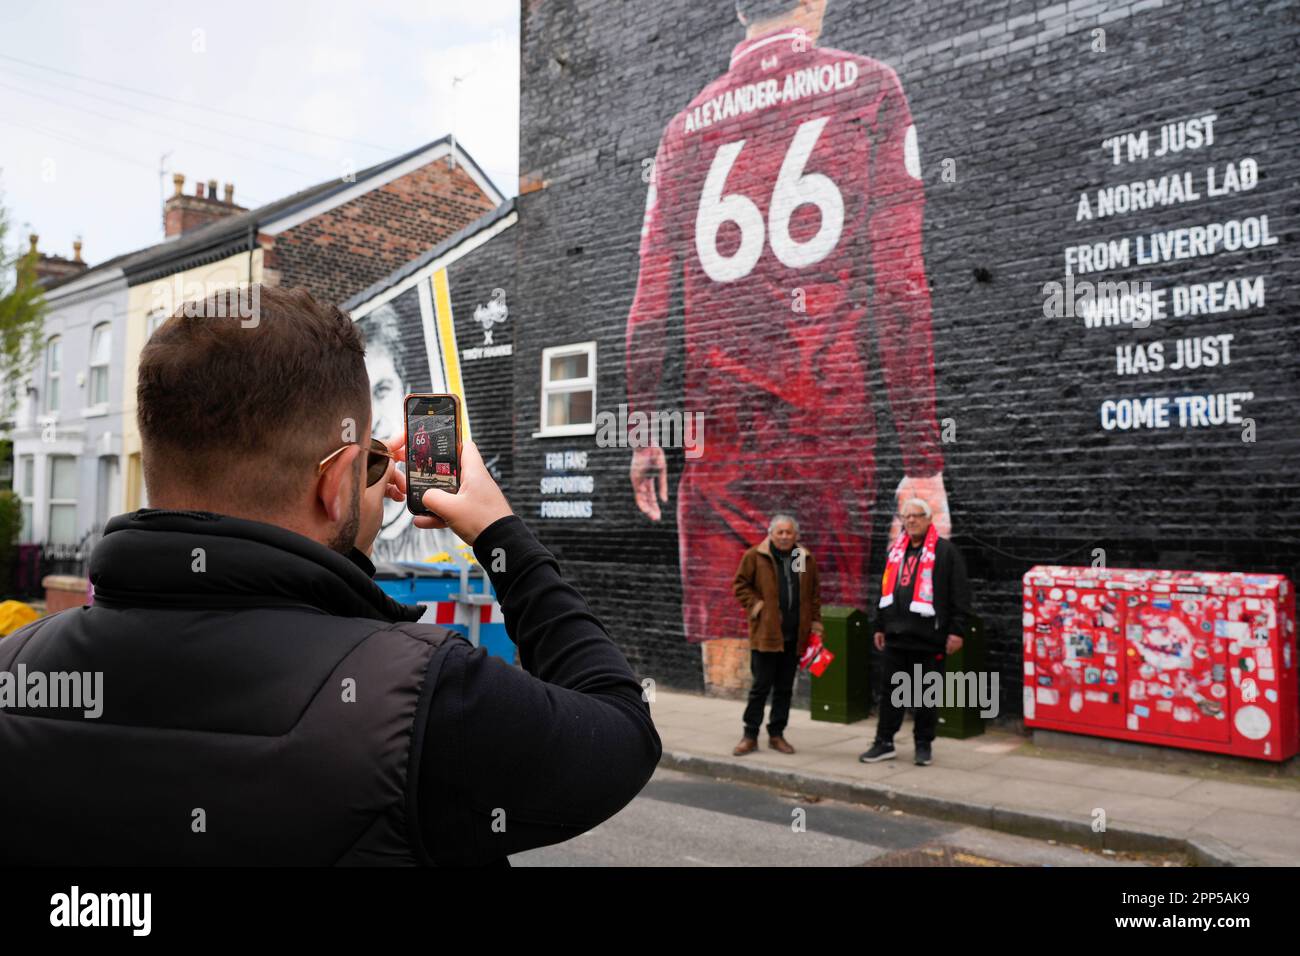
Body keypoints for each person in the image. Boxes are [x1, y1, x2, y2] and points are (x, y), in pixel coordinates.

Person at [0, 285, 661, 866]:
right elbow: (621, 729)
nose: (388, 477)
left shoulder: (16, 671)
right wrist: (499, 533)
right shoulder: (427, 701)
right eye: (373, 460)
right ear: (335, 485)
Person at [626, 0, 952, 654]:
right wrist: (923, 461)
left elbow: (651, 307)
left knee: (729, 645)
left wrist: (643, 433)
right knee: (830, 646)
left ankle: (738, 734)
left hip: (718, 444)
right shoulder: (870, 86)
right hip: (826, 435)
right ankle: (820, 731)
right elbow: (899, 286)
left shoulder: (683, 129)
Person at [860, 498, 969, 767]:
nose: (910, 521)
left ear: (929, 519)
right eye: (906, 516)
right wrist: (879, 625)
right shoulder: (895, 552)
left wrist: (956, 631)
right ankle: (884, 742)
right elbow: (884, 591)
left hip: (930, 638)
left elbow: (960, 595)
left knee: (926, 695)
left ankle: (923, 744)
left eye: (917, 516)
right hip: (896, 636)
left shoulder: (946, 553)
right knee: (892, 693)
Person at [731, 514, 822, 755]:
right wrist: (757, 606)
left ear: (796, 535)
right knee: (760, 687)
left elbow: (811, 593)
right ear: (771, 533)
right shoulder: (756, 556)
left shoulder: (800, 557)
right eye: (779, 532)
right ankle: (750, 735)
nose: (784, 537)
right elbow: (740, 585)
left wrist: (815, 623)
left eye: (788, 532)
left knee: (784, 689)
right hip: (766, 635)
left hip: (794, 636)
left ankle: (776, 734)